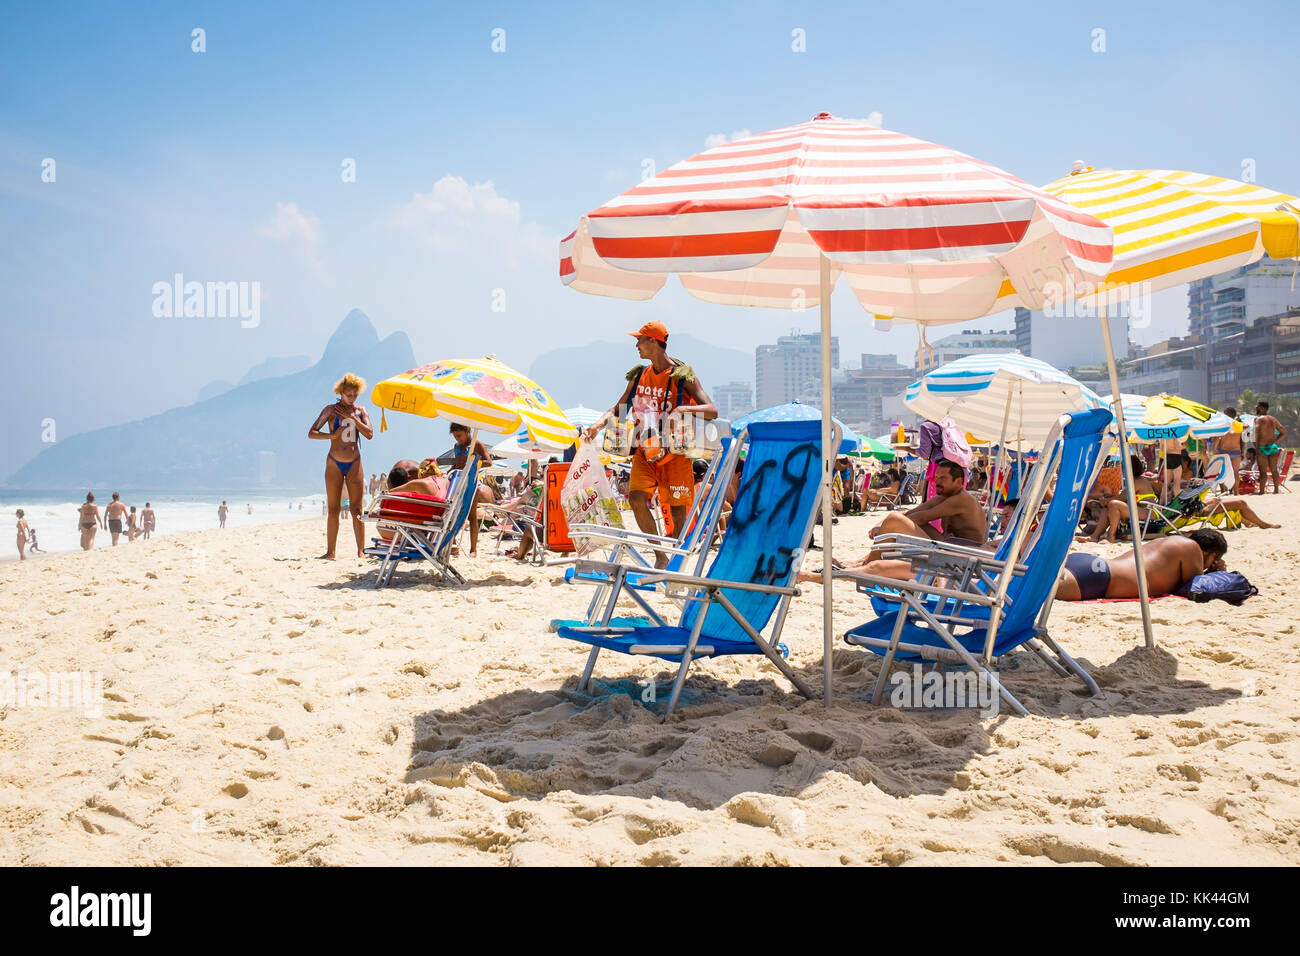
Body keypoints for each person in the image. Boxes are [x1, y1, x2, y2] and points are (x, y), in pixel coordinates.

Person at [585, 320, 717, 567]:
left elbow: (712, 410)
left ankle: (677, 559)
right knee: (636, 499)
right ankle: (660, 556)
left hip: (675, 453)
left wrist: (682, 409)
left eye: (640, 339)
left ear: (654, 342)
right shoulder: (639, 375)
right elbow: (619, 407)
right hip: (644, 451)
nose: (636, 344)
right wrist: (599, 424)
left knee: (677, 510)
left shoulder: (682, 374)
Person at [801, 460, 986, 583]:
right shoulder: (947, 494)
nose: (937, 482)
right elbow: (913, 511)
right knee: (896, 519)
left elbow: (921, 517)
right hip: (950, 547)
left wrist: (888, 526)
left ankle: (864, 563)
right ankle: (862, 561)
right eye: (936, 477)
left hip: (961, 555)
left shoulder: (960, 499)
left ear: (959, 481)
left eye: (943, 478)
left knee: (895, 519)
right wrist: (882, 525)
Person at [1058, 528, 1228, 601]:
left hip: (1090, 564)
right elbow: (1195, 590)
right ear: (1211, 555)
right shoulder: (1192, 549)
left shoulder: (1168, 542)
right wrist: (1216, 574)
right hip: (1099, 579)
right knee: (1034, 589)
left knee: (1034, 583)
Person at [308, 372, 374, 559]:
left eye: (355, 395)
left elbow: (370, 433)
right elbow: (312, 432)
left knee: (357, 510)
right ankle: (331, 552)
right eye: (348, 395)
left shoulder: (361, 411)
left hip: (354, 462)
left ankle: (361, 551)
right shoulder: (330, 410)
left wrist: (353, 420)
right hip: (334, 463)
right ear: (341, 393)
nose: (352, 398)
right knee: (333, 509)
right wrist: (332, 436)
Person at [1081, 455, 1161, 543]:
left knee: (1113, 504)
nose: (1122, 470)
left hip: (1149, 512)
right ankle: (1094, 536)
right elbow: (1123, 497)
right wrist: (1109, 499)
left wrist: (1105, 501)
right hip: (1141, 511)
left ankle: (1111, 536)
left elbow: (1122, 498)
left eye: (1123, 467)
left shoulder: (1138, 481)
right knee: (1105, 510)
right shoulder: (1134, 480)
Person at [449, 422, 492, 557]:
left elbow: (489, 462)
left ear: (468, 431)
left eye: (459, 436)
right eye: (455, 437)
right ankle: (453, 545)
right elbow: (457, 463)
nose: (458, 439)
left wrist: (474, 462)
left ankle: (473, 549)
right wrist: (449, 472)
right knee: (452, 514)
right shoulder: (456, 447)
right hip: (458, 483)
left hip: (471, 482)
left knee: (472, 515)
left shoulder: (477, 445)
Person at [1253, 401, 1288, 494]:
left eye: (1257, 407)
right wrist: (1276, 440)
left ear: (1261, 407)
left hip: (1262, 446)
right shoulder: (1273, 419)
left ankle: (1261, 491)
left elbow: (1256, 433)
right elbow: (1284, 432)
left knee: (1263, 471)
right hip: (1272, 446)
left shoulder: (1258, 419)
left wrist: (1256, 447)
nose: (1256, 408)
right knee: (1274, 469)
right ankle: (1276, 490)